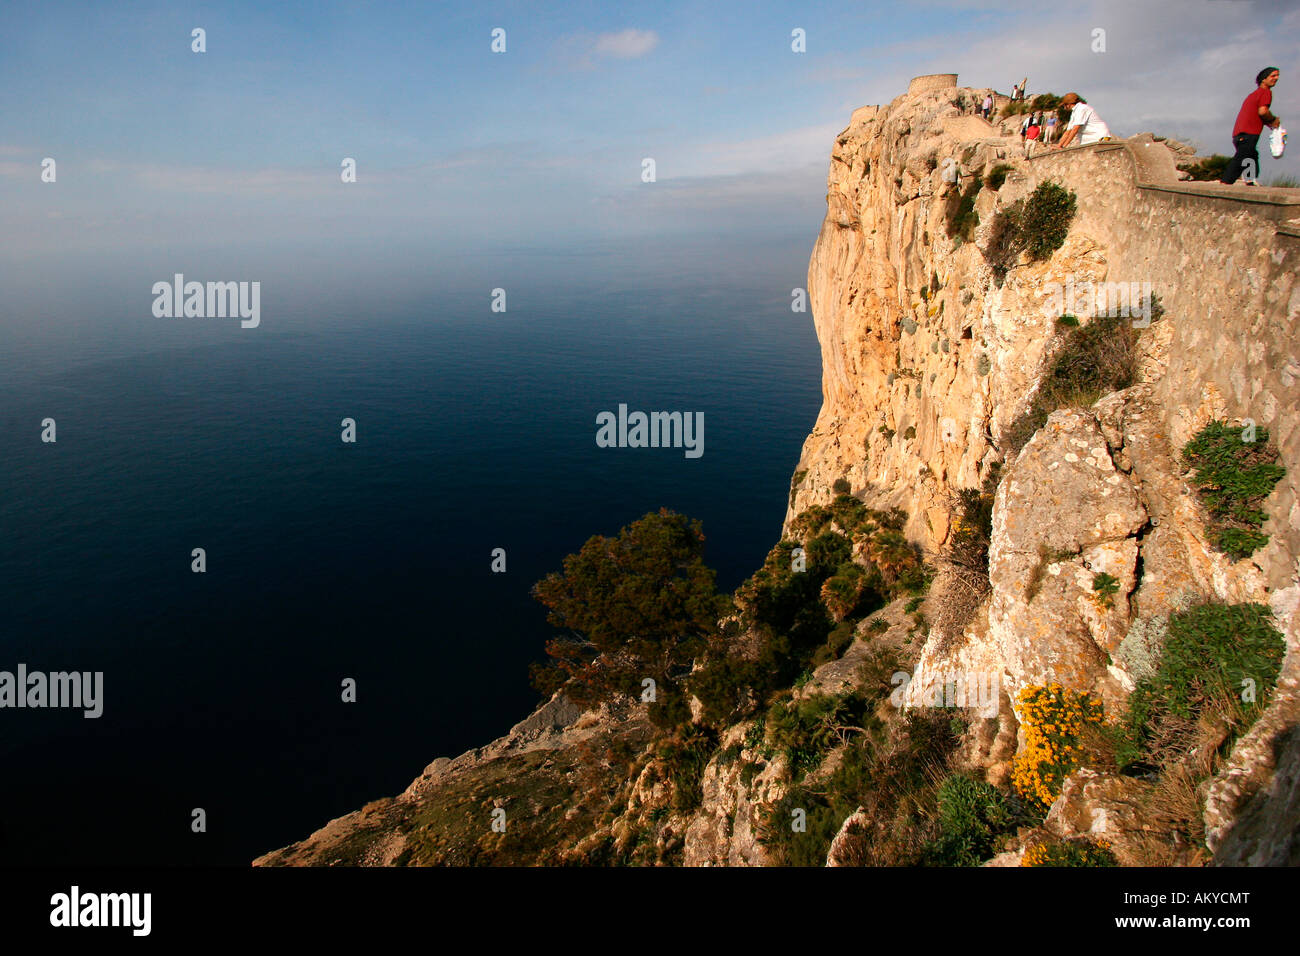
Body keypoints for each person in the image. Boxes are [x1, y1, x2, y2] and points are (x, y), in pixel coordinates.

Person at [1220, 67, 1281, 185]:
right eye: (1273, 76)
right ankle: (1225, 183)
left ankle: (1249, 181)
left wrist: (1270, 124)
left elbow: (1256, 115)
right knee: (1241, 158)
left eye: (1277, 76)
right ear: (1264, 79)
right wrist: (1273, 120)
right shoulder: (1266, 92)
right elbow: (1263, 112)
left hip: (1239, 134)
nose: (1276, 78)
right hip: (1249, 134)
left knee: (1251, 155)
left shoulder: (1253, 95)